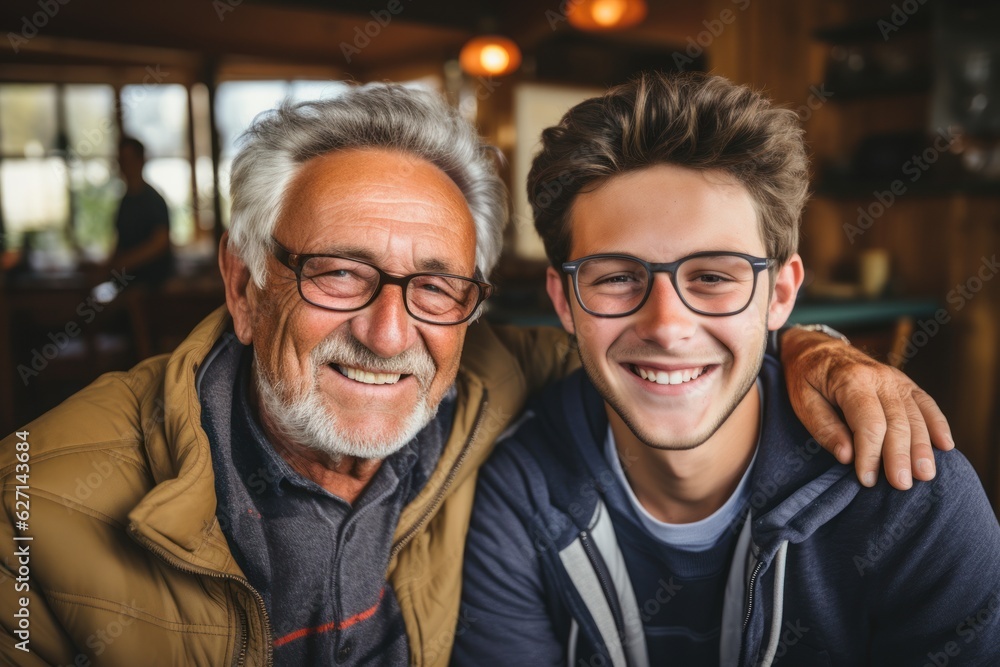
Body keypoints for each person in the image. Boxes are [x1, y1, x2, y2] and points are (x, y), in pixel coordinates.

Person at [0, 82, 953, 666]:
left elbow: (667, 351)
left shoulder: (491, 374)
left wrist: (820, 352)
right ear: (246, 287)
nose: (389, 333)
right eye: (339, 272)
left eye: (434, 286)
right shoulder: (33, 506)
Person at [455, 72, 1000, 666]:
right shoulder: (518, 490)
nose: (667, 326)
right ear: (564, 301)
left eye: (713, 276)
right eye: (617, 277)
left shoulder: (911, 497)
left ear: (780, 295)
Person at [108, 136, 173, 287]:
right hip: (126, 281)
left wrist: (125, 262)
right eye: (122, 160)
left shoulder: (152, 200)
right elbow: (121, 242)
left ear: (140, 161)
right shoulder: (125, 201)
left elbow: (160, 243)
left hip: (150, 283)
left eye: (129, 160)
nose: (125, 166)